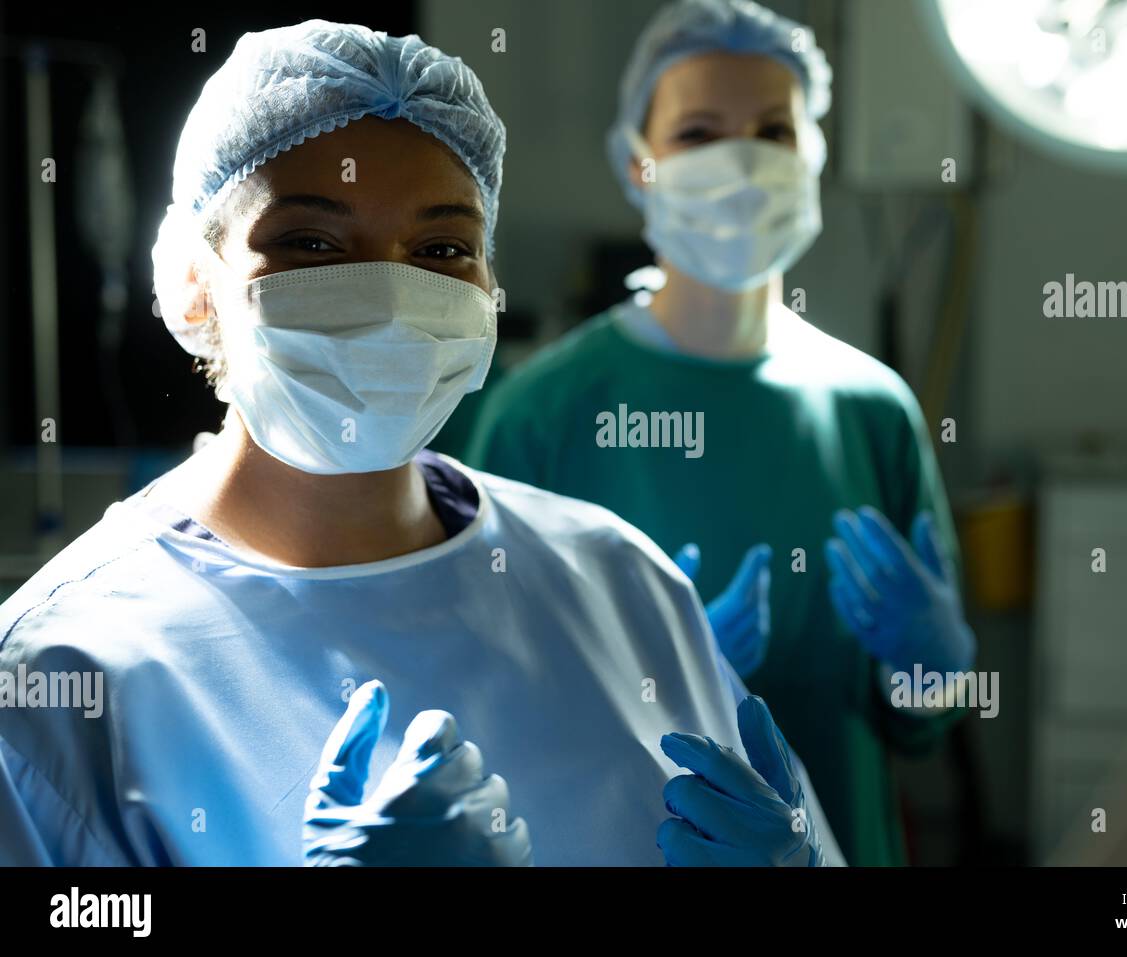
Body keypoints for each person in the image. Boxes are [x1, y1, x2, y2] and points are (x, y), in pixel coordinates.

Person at [0, 19, 844, 867]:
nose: (391, 295)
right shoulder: (61, 675)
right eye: (311, 243)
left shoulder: (621, 580)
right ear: (193, 282)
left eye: (442, 248)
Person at [465, 0, 975, 866]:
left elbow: (919, 728)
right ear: (640, 163)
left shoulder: (873, 407)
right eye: (698, 133)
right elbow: (489, 700)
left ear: (813, 155)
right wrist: (652, 687)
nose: (740, 161)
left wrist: (933, 664)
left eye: (773, 130)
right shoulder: (543, 412)